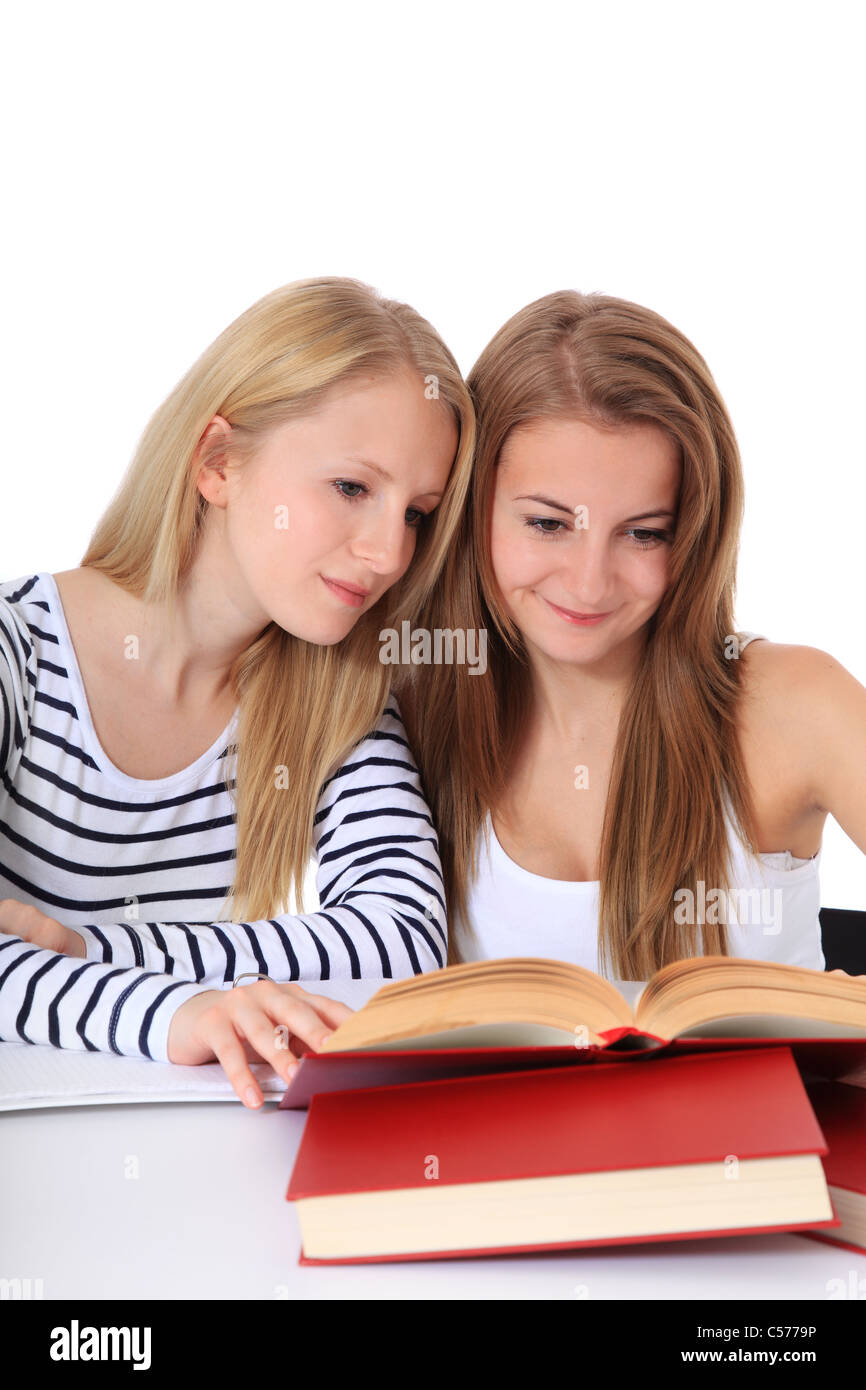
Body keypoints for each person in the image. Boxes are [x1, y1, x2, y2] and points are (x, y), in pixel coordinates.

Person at [0, 275, 475, 1106]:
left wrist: (88, 948)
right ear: (219, 463)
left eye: (416, 513)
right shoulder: (21, 655)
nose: (390, 554)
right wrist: (173, 1012)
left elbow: (401, 942)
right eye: (353, 488)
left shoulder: (341, 696)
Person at [395, 290, 866, 981]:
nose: (590, 585)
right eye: (548, 524)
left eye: (645, 533)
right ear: (471, 510)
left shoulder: (792, 703)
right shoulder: (410, 713)